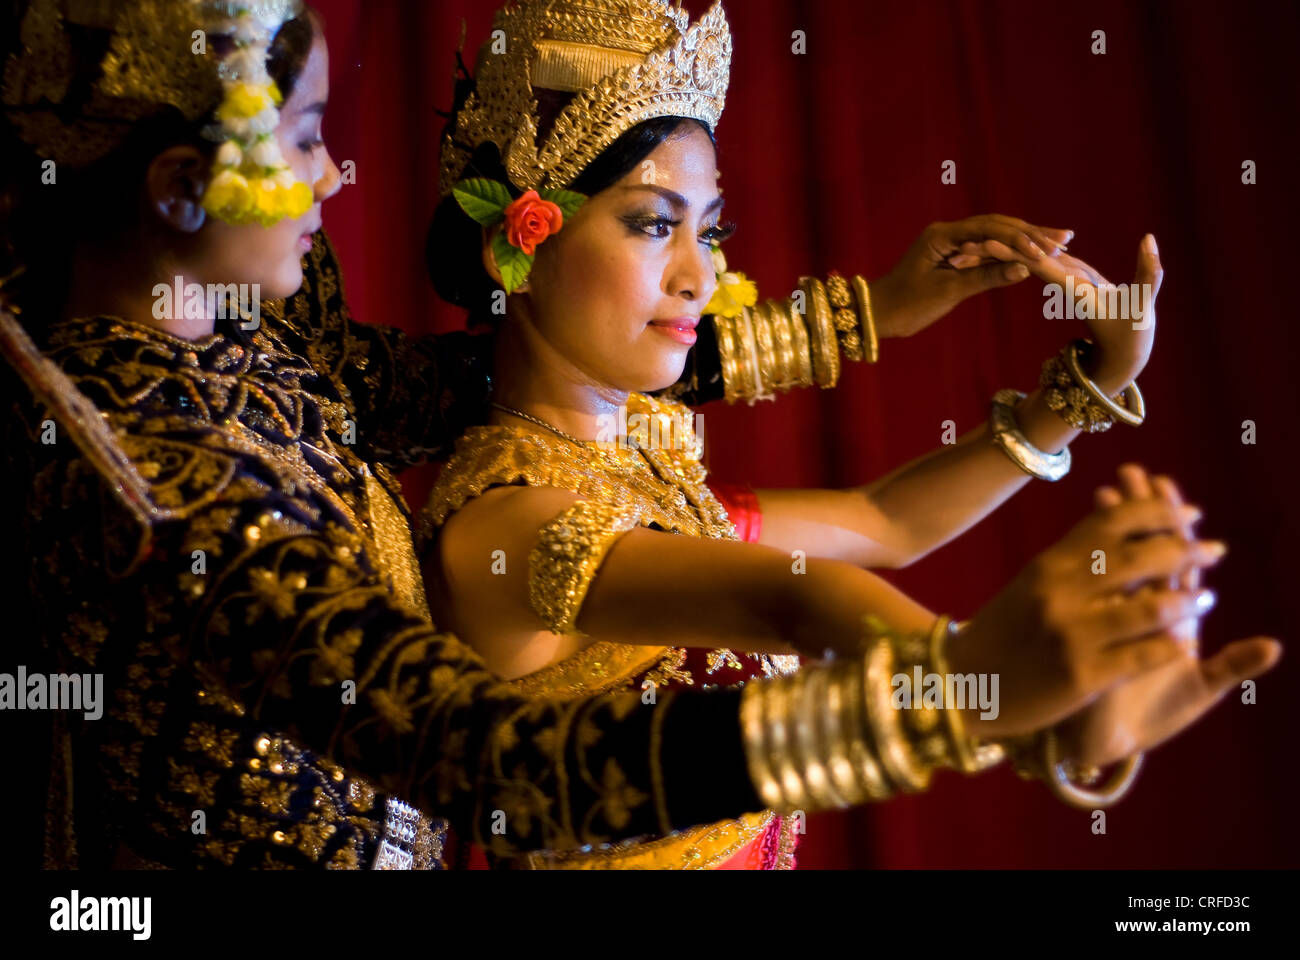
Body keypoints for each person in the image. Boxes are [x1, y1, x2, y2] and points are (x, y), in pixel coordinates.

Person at [417, 0, 1282, 868]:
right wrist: (999, 685)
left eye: (710, 229)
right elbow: (787, 599)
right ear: (514, 243)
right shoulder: (505, 523)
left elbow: (883, 523)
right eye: (652, 223)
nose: (699, 273)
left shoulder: (643, 470)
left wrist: (1092, 382)